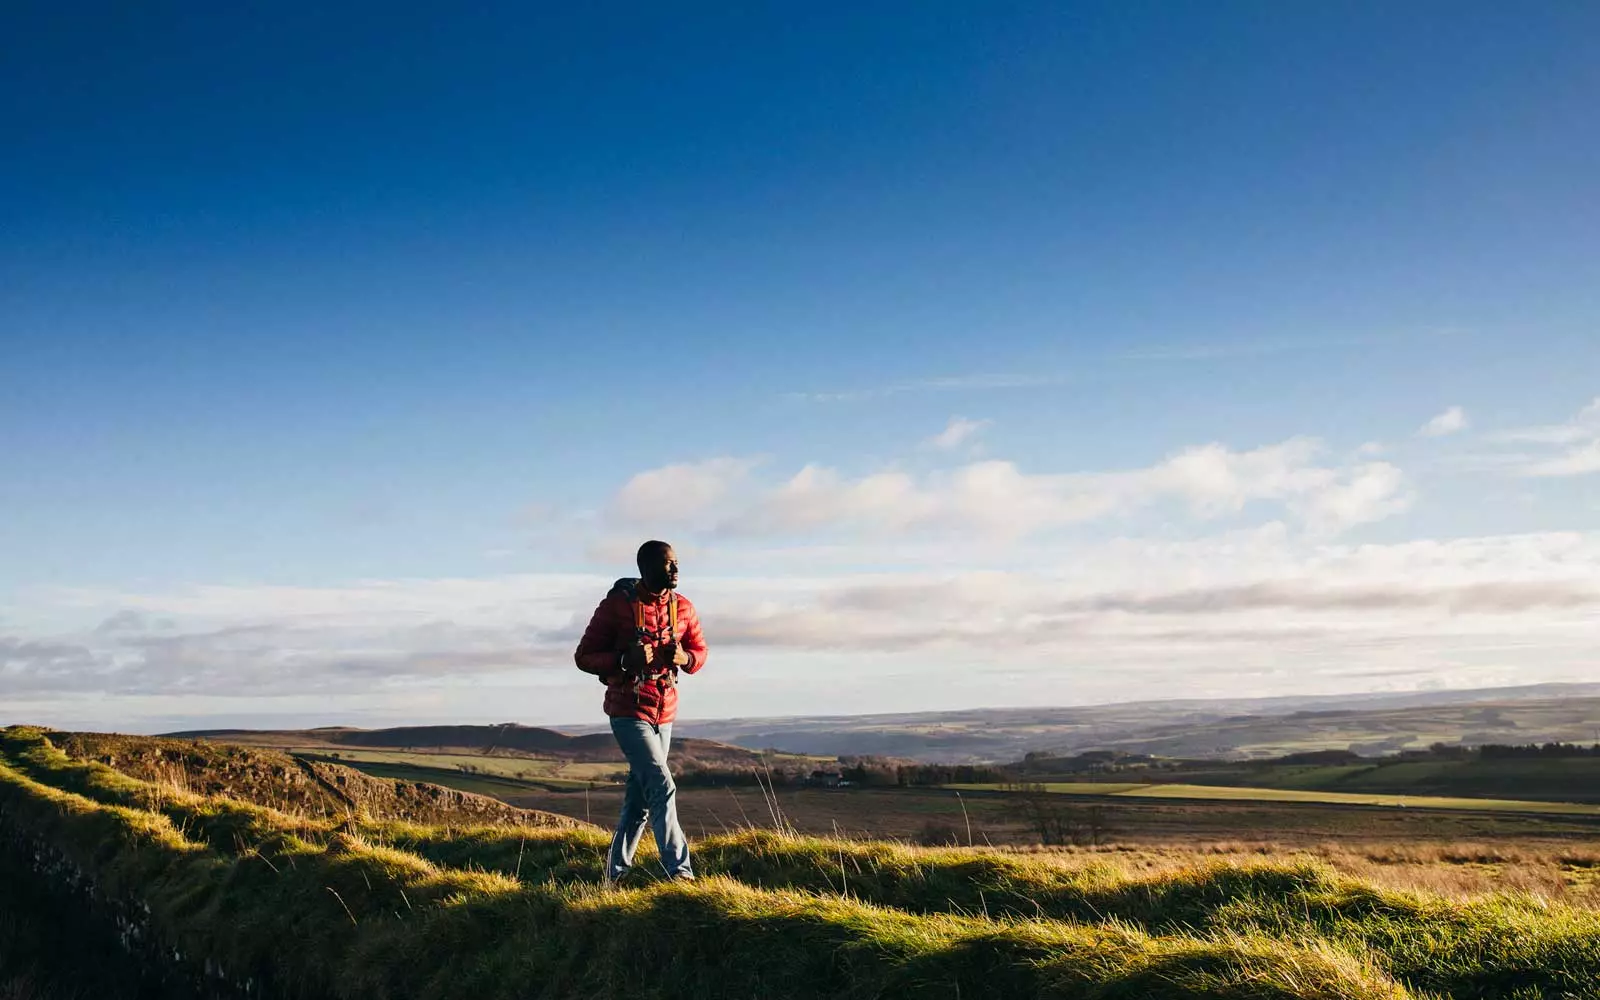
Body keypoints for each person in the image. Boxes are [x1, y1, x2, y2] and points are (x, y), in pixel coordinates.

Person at [574, 539, 708, 882]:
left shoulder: (685, 608)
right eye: (668, 564)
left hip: (665, 712)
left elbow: (699, 651)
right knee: (662, 786)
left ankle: (615, 874)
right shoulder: (615, 607)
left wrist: (685, 658)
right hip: (627, 710)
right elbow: (584, 656)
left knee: (640, 802)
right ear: (645, 568)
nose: (676, 569)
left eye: (677, 562)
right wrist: (622, 659)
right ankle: (679, 872)